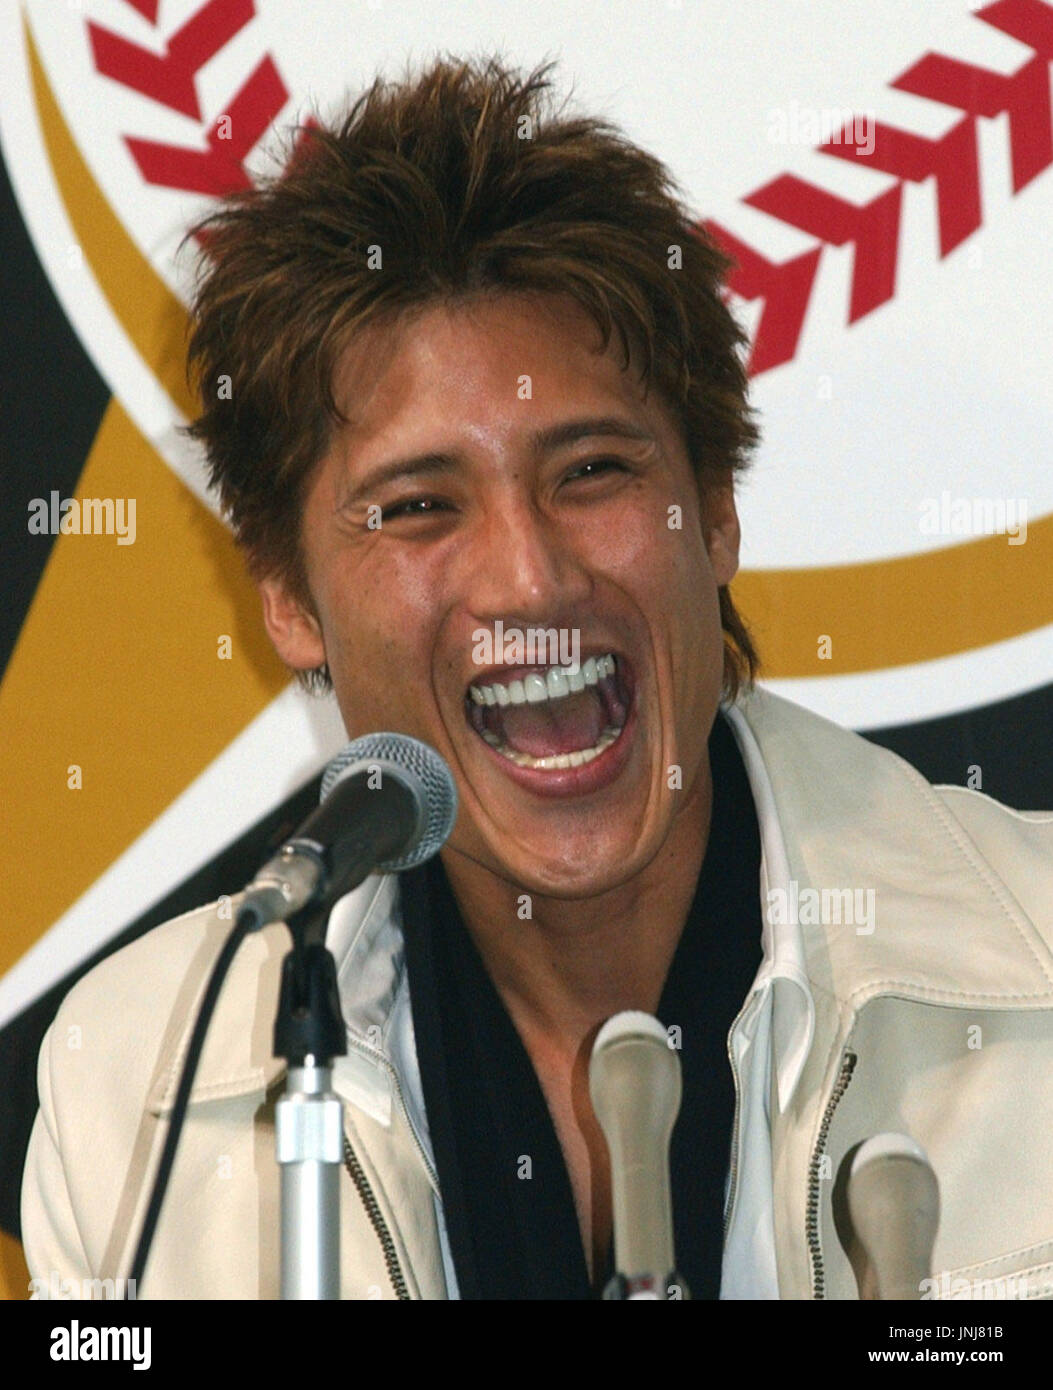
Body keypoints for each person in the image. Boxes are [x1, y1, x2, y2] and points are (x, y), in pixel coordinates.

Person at [21, 56, 1053, 1301]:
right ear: (289, 599)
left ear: (716, 510)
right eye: (417, 506)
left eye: (592, 472)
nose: (526, 578)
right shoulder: (129, 1090)